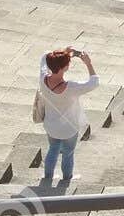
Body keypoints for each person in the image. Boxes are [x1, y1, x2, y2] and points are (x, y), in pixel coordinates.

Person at [36, 47, 98, 187]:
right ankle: (67, 178)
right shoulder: (71, 87)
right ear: (64, 68)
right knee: (68, 153)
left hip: (51, 125)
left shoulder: (43, 78)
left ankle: (48, 176)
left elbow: (44, 56)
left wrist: (63, 52)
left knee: (53, 148)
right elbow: (94, 82)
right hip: (69, 128)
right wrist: (88, 63)